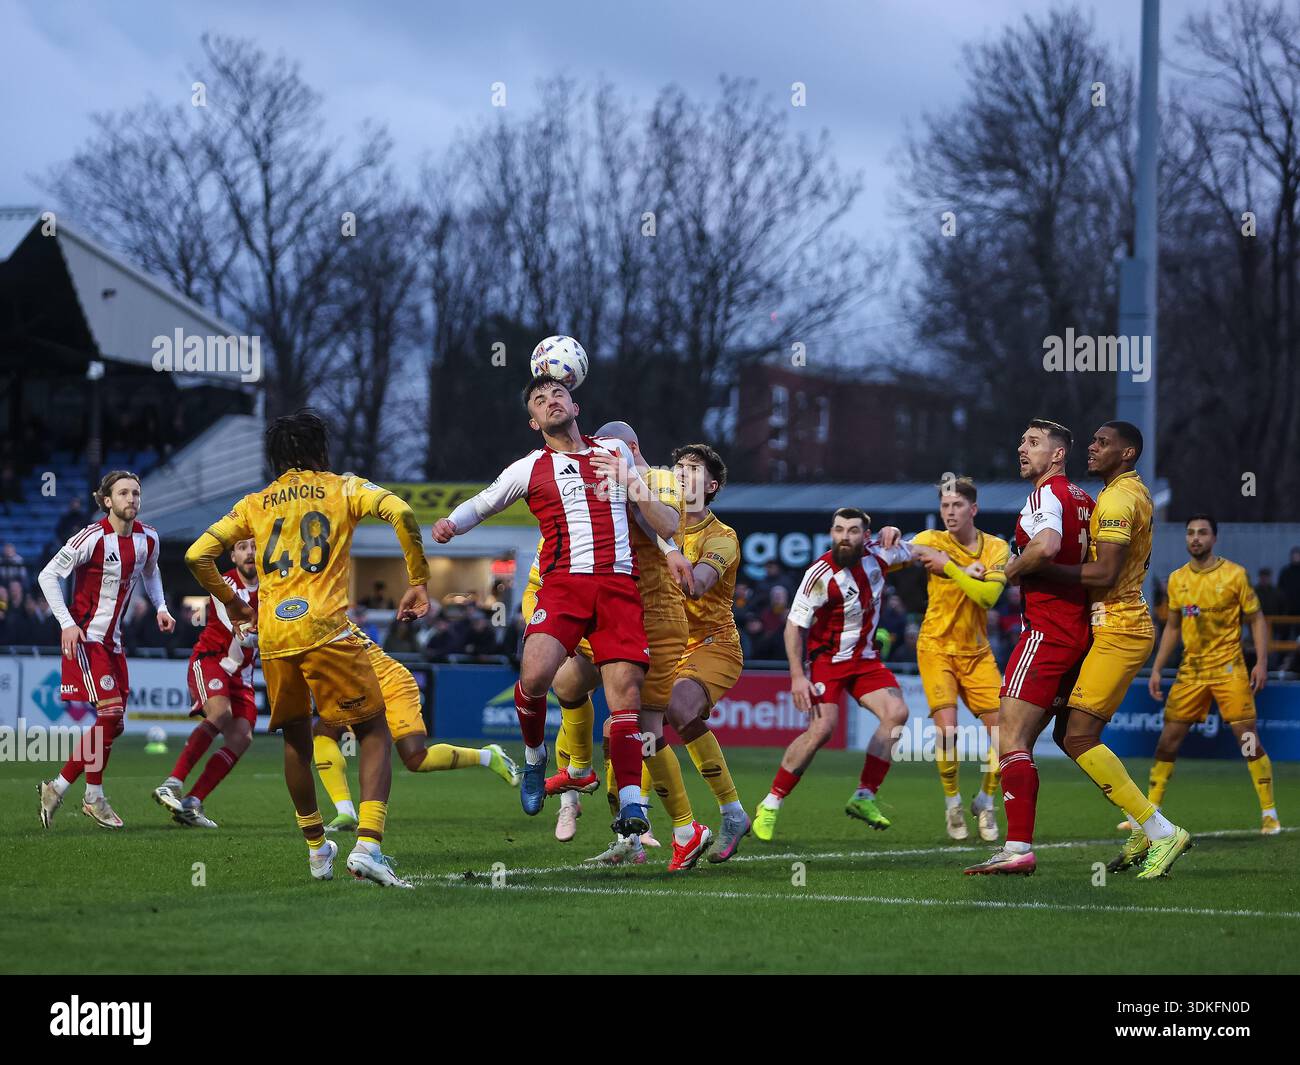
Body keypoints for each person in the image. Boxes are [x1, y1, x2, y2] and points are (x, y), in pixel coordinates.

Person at [185, 409, 431, 887]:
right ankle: (368, 846)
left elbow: (198, 555)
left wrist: (235, 603)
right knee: (374, 731)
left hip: (275, 639)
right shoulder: (344, 488)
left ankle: (318, 850)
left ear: (276, 457)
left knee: (296, 739)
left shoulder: (255, 503)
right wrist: (418, 581)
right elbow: (401, 511)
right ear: (320, 449)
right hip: (327, 630)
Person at [432, 375, 679, 842]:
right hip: (563, 586)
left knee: (625, 695)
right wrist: (451, 524)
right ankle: (534, 759)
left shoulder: (616, 452)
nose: (550, 402)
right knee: (535, 677)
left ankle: (631, 803)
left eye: (557, 394)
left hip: (619, 585)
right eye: (540, 400)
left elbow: (655, 520)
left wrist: (671, 550)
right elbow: (484, 503)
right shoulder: (529, 467)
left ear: (575, 403)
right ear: (533, 420)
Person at [962, 421, 1095, 876]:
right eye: (1021, 440)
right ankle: (1150, 825)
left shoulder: (1046, 495)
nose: (1022, 448)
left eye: (1033, 443)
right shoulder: (1086, 500)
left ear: (1058, 455)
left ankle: (1017, 849)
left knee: (1010, 739)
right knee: (1069, 741)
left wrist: (1005, 573)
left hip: (1046, 631)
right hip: (1082, 634)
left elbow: (1045, 547)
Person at [752, 508, 909, 842]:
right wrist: (797, 676)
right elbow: (794, 625)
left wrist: (896, 530)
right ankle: (770, 803)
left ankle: (864, 796)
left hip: (865, 659)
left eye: (853, 531)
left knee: (897, 713)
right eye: (838, 530)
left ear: (866, 536)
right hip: (827, 661)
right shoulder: (819, 574)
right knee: (823, 728)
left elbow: (921, 547)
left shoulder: (879, 555)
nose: (844, 537)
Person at [37, 472, 175, 829]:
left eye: (136, 493)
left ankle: (79, 794)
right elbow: (47, 576)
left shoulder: (149, 538)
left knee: (113, 724)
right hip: (87, 639)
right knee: (111, 715)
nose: (132, 498)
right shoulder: (92, 538)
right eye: (124, 493)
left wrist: (160, 606)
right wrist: (67, 623)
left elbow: (151, 571)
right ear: (107, 500)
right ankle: (73, 791)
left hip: (114, 643)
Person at [1140, 515, 1278, 837]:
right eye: (1190, 533)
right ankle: (1151, 811)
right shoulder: (1177, 580)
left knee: (1247, 740)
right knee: (1167, 741)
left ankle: (1269, 812)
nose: (1195, 538)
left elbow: (1257, 620)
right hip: (1191, 672)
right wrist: (1158, 667)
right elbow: (1173, 627)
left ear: (1214, 538)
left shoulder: (1235, 575)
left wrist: (1261, 662)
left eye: (1202, 533)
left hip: (1229, 668)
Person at [313, 620, 518, 832]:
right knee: (324, 731)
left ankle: (488, 756)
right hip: (359, 690)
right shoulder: (315, 617)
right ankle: (345, 812)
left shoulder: (318, 621)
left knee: (415, 759)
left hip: (392, 684)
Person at [657, 442, 752, 865]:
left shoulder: (722, 536)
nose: (680, 472)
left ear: (710, 485)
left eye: (691, 468)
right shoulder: (660, 521)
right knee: (627, 726)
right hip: (666, 644)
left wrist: (663, 547)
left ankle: (730, 814)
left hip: (714, 645)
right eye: (677, 466)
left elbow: (694, 583)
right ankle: (633, 830)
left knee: (677, 708)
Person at [908, 476, 1009, 842]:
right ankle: (952, 803)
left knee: (1004, 733)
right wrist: (890, 533)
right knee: (948, 730)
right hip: (935, 647)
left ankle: (985, 800)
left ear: (973, 509)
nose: (950, 512)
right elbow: (903, 551)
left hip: (977, 652)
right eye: (945, 506)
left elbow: (988, 598)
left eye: (957, 506)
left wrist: (953, 568)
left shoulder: (997, 548)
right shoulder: (930, 540)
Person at [153, 536, 260, 829]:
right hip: (212, 660)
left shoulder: (273, 589)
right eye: (242, 547)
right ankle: (172, 784)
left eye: (253, 546)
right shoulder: (222, 584)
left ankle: (192, 802)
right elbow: (243, 633)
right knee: (220, 713)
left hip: (243, 675)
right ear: (233, 557)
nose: (249, 552)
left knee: (241, 737)